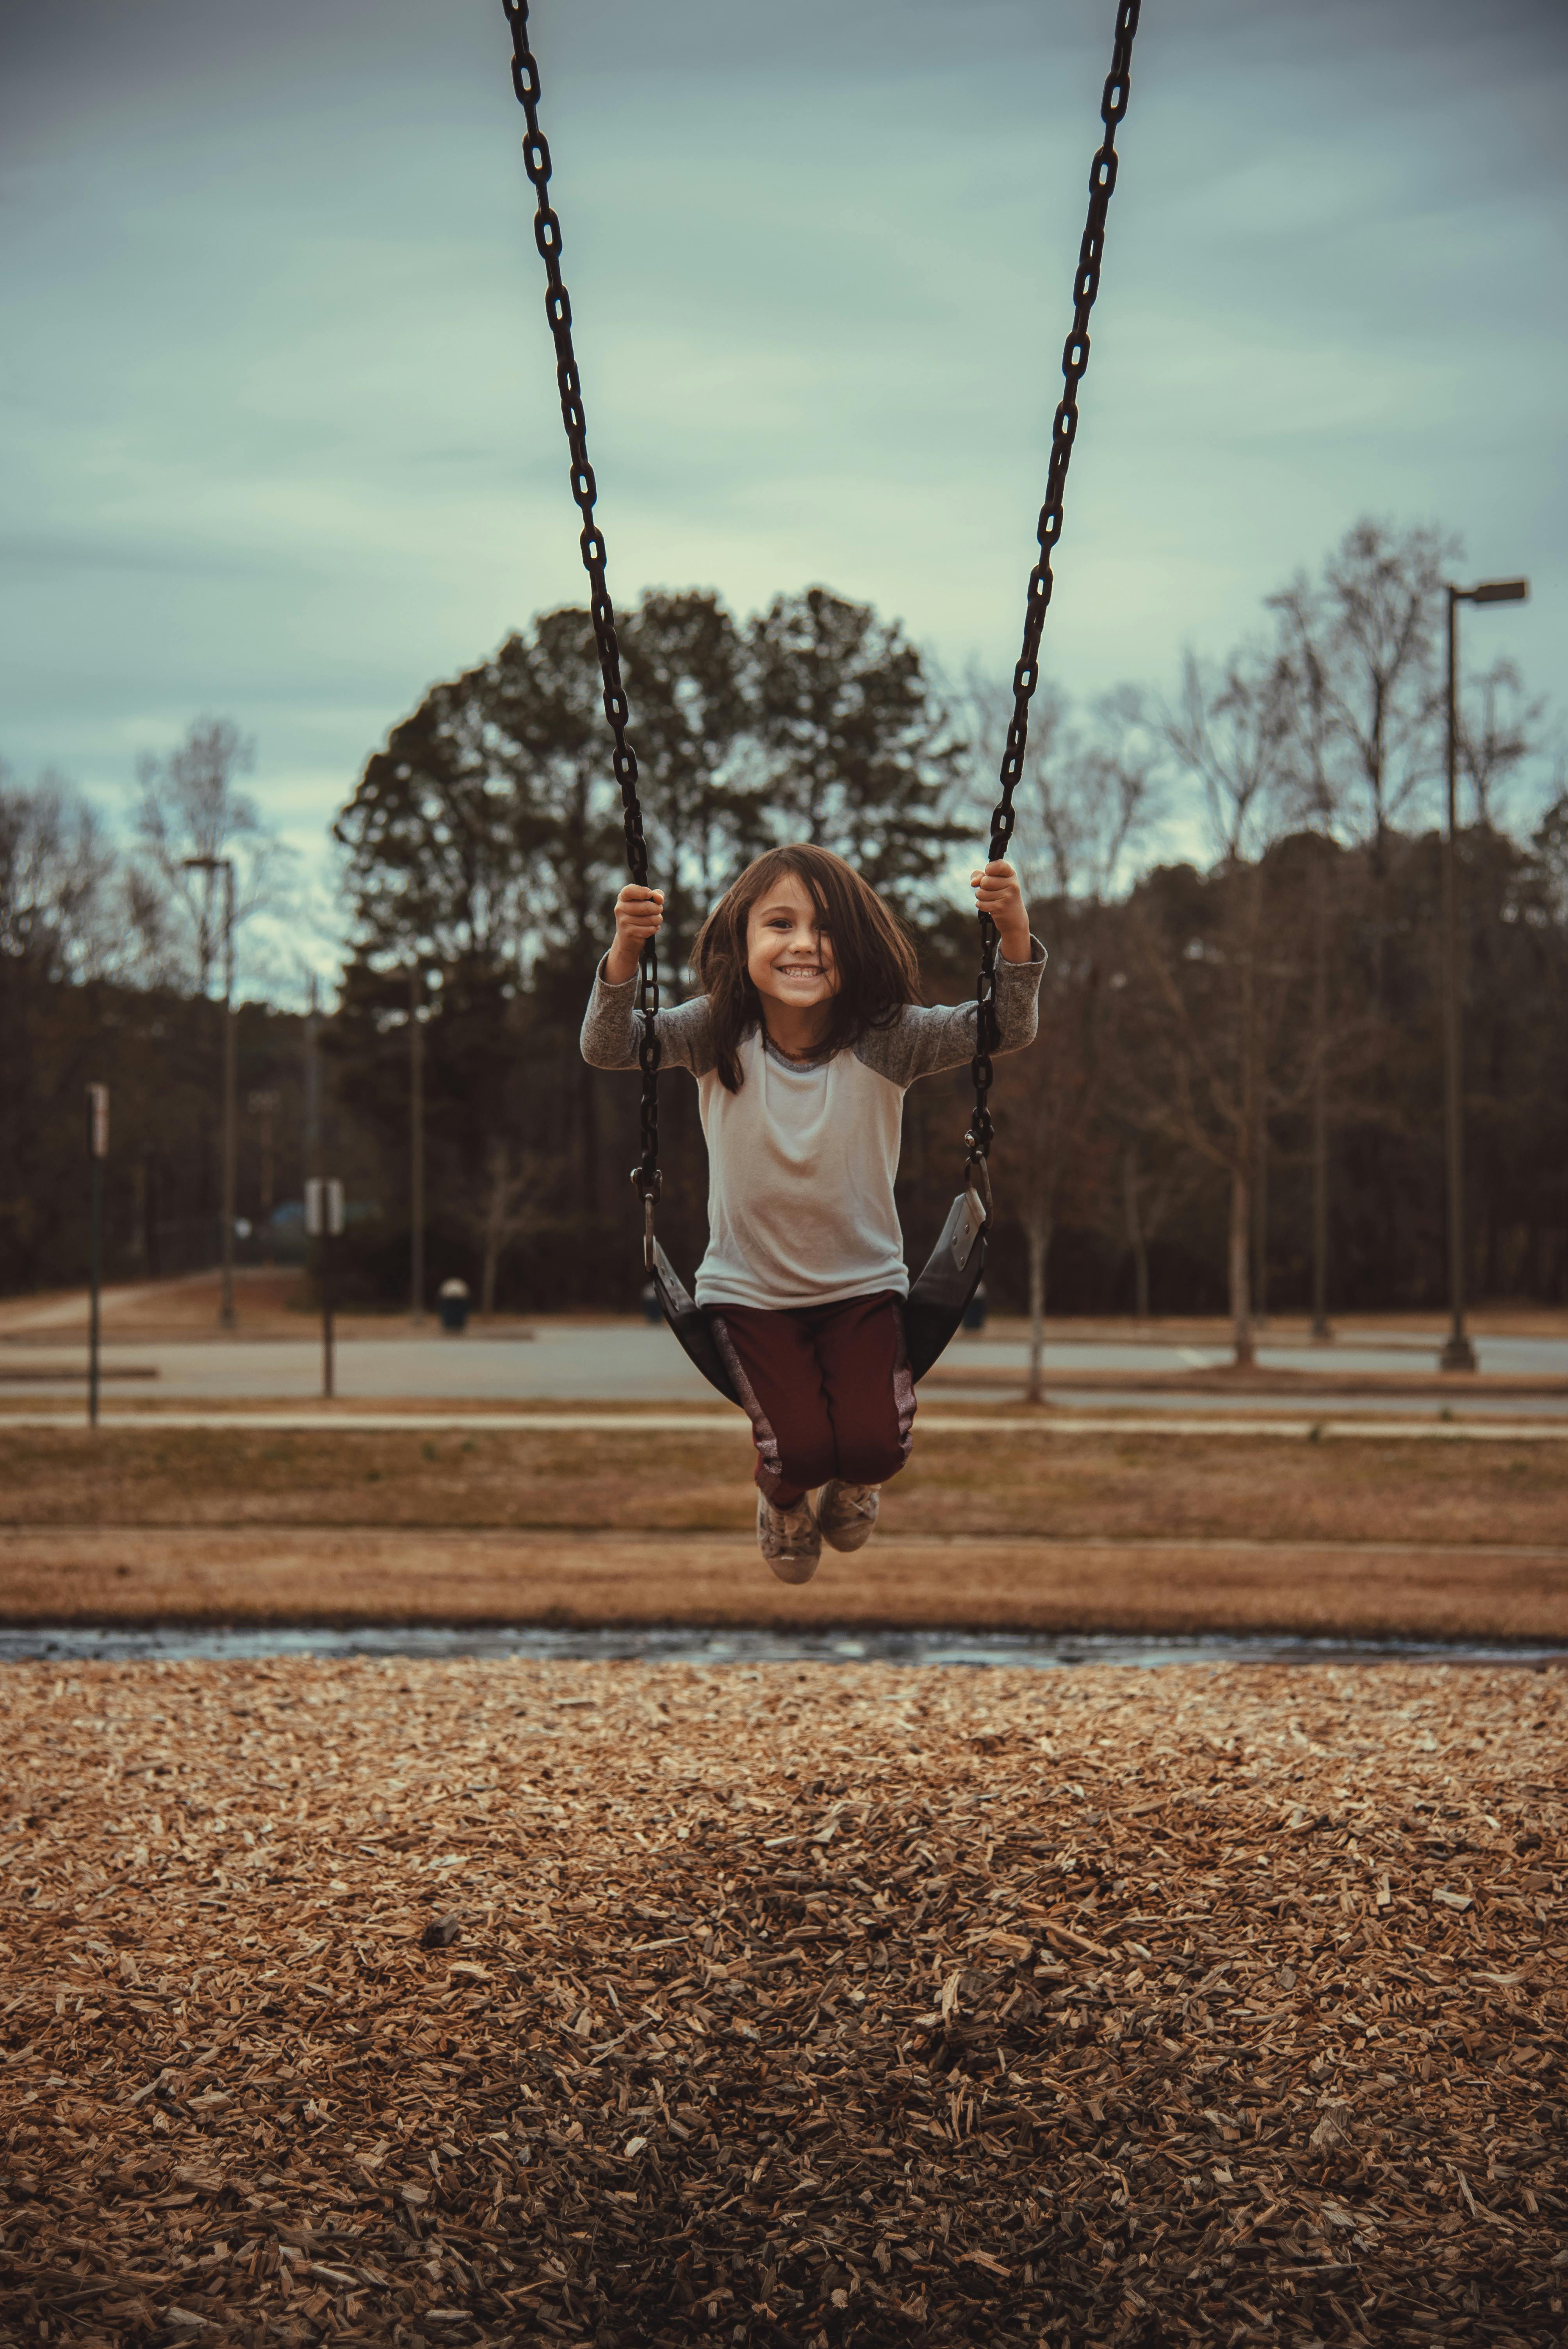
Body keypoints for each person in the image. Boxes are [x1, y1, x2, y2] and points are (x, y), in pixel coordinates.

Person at [581, 843, 1042, 1582]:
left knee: (875, 1449)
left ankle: (853, 1482)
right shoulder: (714, 1031)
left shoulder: (889, 1038)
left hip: (862, 1288)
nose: (803, 945)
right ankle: (783, 1499)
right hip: (748, 1295)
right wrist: (624, 954)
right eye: (780, 924)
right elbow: (609, 1047)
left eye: (826, 928)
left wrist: (1013, 934)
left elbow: (1004, 1029)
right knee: (797, 1450)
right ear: (742, 940)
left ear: (857, 943)